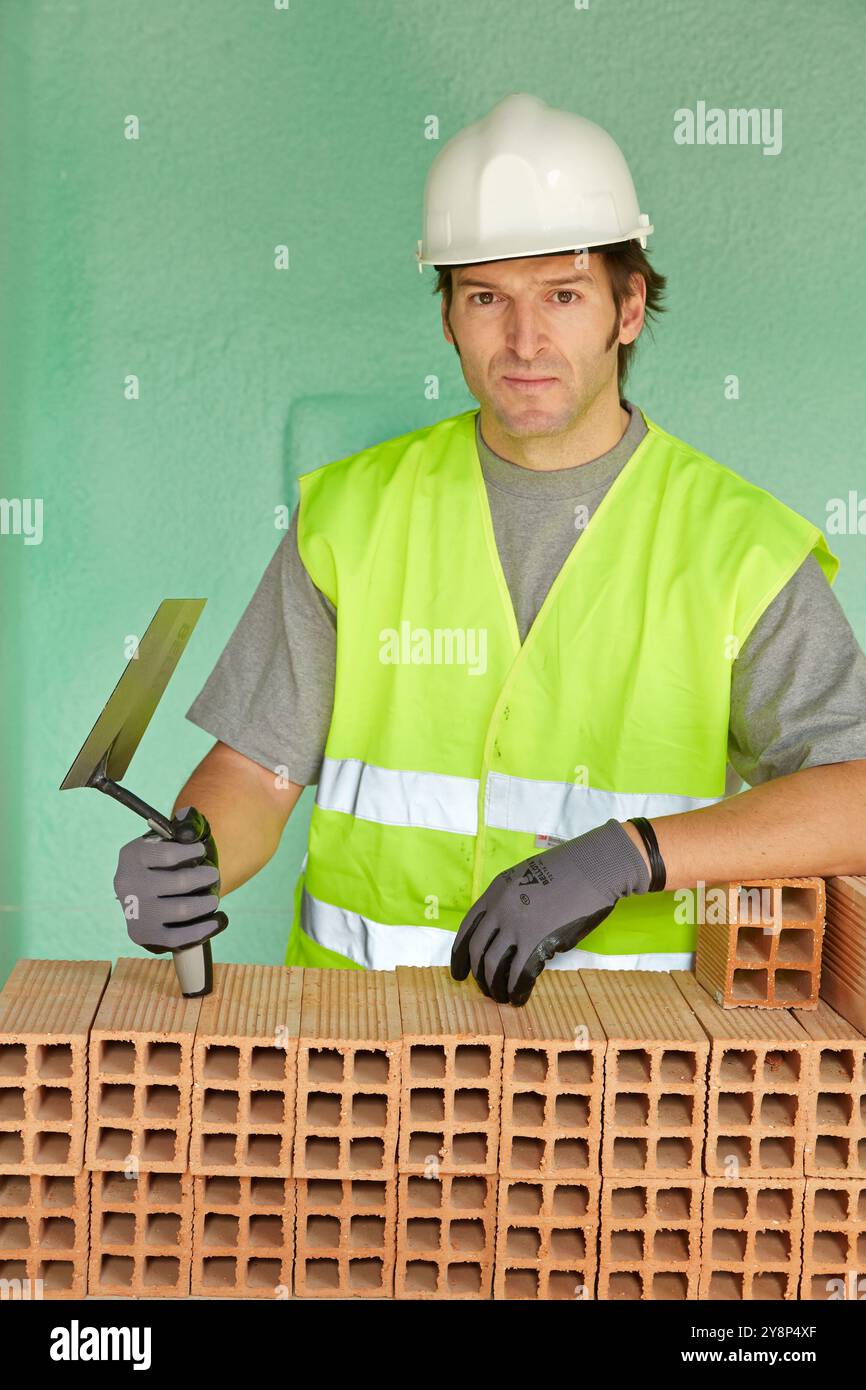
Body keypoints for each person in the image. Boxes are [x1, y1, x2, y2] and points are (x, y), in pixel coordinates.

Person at [114, 94, 866, 1005]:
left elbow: (853, 796)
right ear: (448, 320)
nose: (524, 340)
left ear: (628, 308)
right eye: (486, 298)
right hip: (358, 1062)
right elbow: (255, 775)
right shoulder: (353, 513)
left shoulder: (741, 547)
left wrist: (632, 857)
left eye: (562, 294)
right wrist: (193, 857)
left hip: (626, 1079)